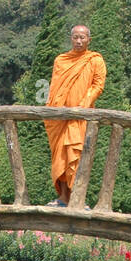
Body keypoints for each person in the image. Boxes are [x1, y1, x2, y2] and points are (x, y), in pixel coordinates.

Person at [45, 25, 107, 206]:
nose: (79, 41)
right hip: (62, 117)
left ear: (89, 39)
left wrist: (84, 104)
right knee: (61, 157)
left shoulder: (95, 60)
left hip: (81, 117)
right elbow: (55, 88)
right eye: (75, 37)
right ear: (71, 39)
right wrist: (56, 109)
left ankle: (78, 199)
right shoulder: (61, 60)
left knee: (78, 156)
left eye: (82, 38)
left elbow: (98, 85)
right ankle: (63, 198)